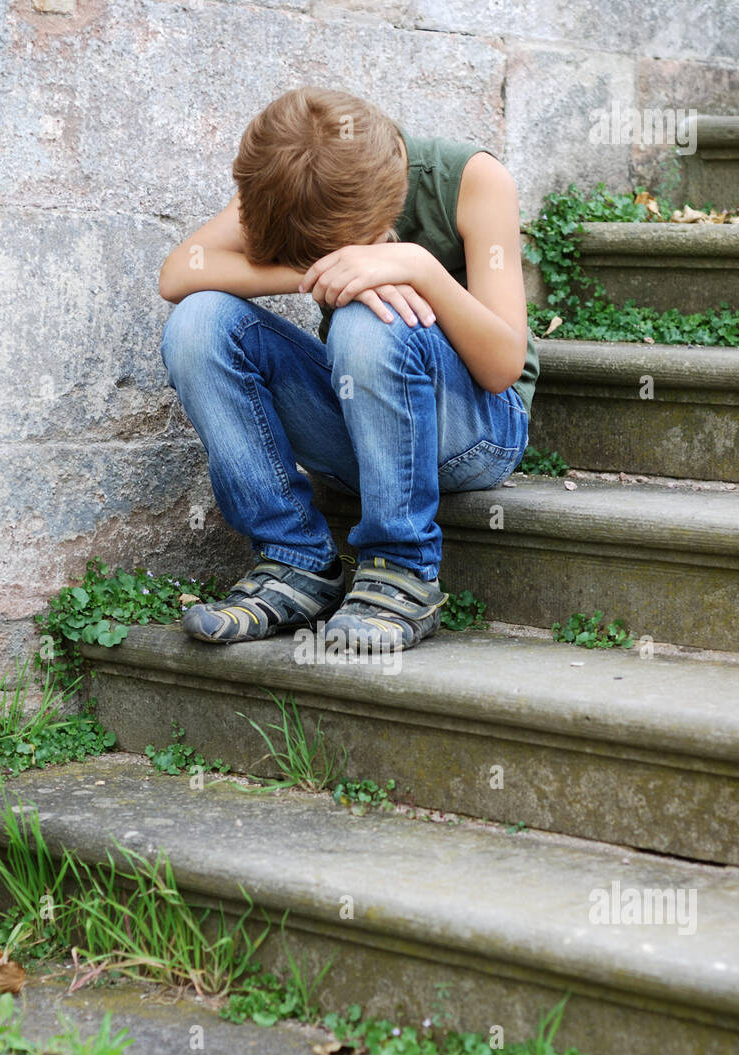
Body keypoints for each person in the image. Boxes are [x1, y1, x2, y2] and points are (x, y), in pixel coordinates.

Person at [159, 86, 538, 653]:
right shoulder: (294, 174)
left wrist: (416, 269)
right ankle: (296, 562)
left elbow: (504, 365)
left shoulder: (474, 180)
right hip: (359, 421)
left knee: (367, 316)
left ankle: (402, 566)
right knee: (197, 320)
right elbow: (178, 273)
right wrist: (318, 271)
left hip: (477, 429)